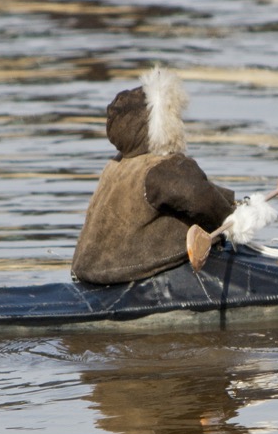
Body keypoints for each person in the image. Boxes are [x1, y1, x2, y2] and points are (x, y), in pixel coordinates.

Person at [72, 67, 260, 284]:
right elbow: (200, 196)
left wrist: (233, 200)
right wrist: (234, 216)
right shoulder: (164, 167)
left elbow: (199, 191)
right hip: (126, 273)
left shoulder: (116, 166)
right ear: (164, 123)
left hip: (87, 270)